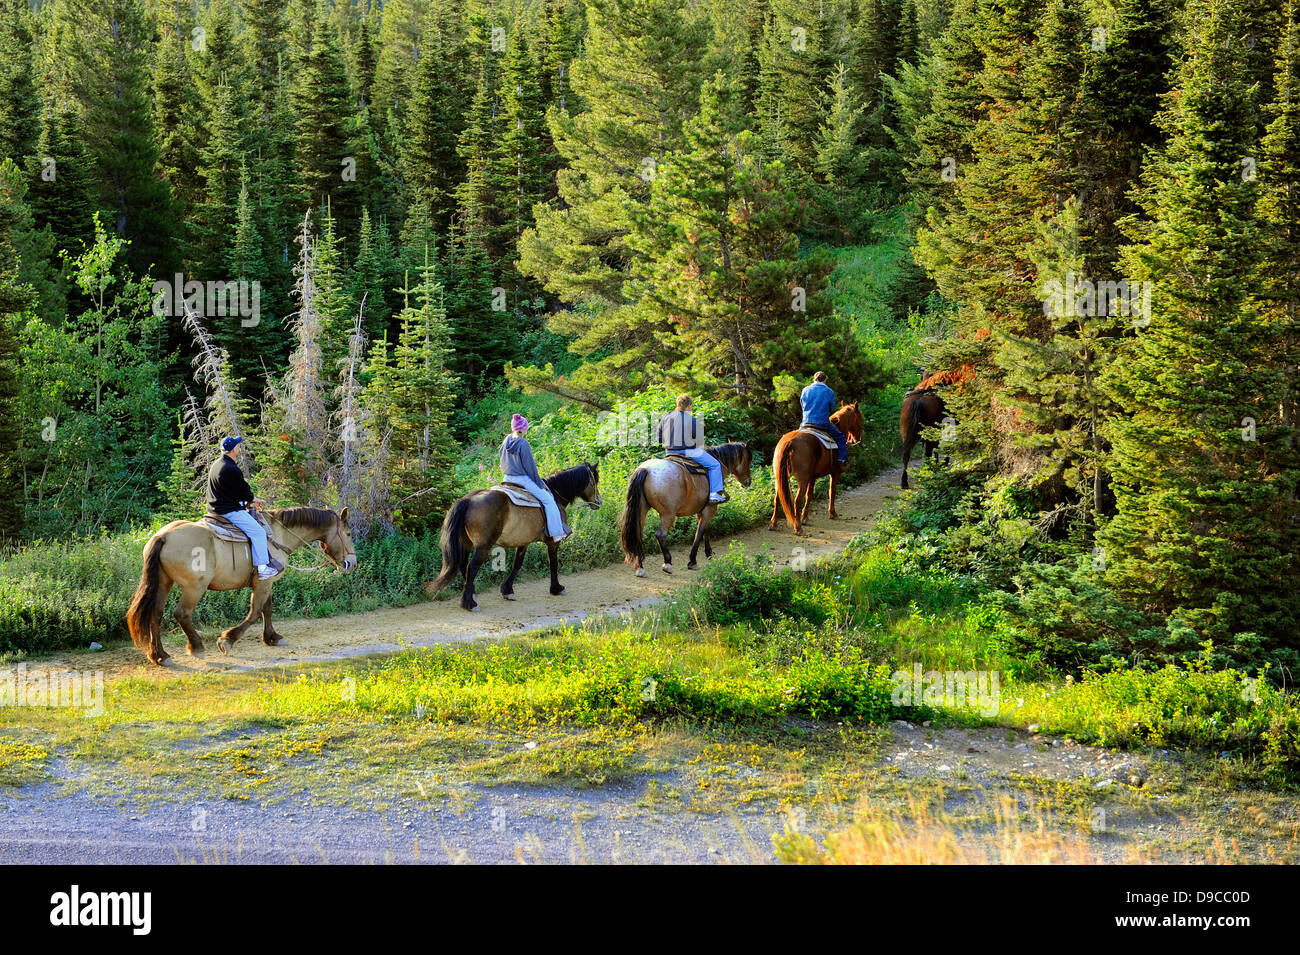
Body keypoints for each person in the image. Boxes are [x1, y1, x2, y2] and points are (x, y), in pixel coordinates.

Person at [206, 436, 283, 580]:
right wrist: (252, 499)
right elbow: (243, 490)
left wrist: (250, 500)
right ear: (234, 449)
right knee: (259, 532)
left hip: (214, 508)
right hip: (228, 510)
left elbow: (231, 490)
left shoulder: (217, 464)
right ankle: (262, 568)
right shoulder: (231, 468)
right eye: (238, 446)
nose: (239, 448)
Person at [500, 414, 570, 542]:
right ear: (523, 429)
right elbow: (530, 468)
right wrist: (540, 484)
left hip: (507, 478)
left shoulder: (506, 440)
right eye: (526, 427)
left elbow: (501, 458)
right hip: (521, 479)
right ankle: (556, 533)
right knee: (549, 500)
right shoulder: (523, 443)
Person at [657, 395, 727, 504]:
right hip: (687, 451)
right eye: (691, 406)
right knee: (715, 465)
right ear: (689, 406)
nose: (691, 408)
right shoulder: (690, 419)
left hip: (669, 452)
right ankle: (714, 494)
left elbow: (659, 438)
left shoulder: (666, 417)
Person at [800, 371, 847, 464]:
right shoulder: (828, 391)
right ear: (825, 380)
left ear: (814, 379)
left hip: (805, 423)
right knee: (841, 437)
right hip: (822, 423)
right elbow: (832, 407)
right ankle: (841, 460)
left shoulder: (805, 390)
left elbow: (802, 405)